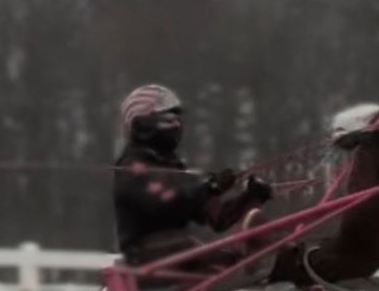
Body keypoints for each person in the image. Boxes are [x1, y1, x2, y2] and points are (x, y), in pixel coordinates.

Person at [113, 84, 273, 268]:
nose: (176, 125)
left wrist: (251, 197)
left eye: (178, 119)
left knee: (226, 257)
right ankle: (246, 260)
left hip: (176, 250)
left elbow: (218, 218)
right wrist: (210, 188)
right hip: (145, 254)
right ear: (142, 123)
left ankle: (260, 256)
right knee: (196, 249)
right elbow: (165, 205)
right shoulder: (134, 166)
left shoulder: (173, 165)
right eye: (168, 119)